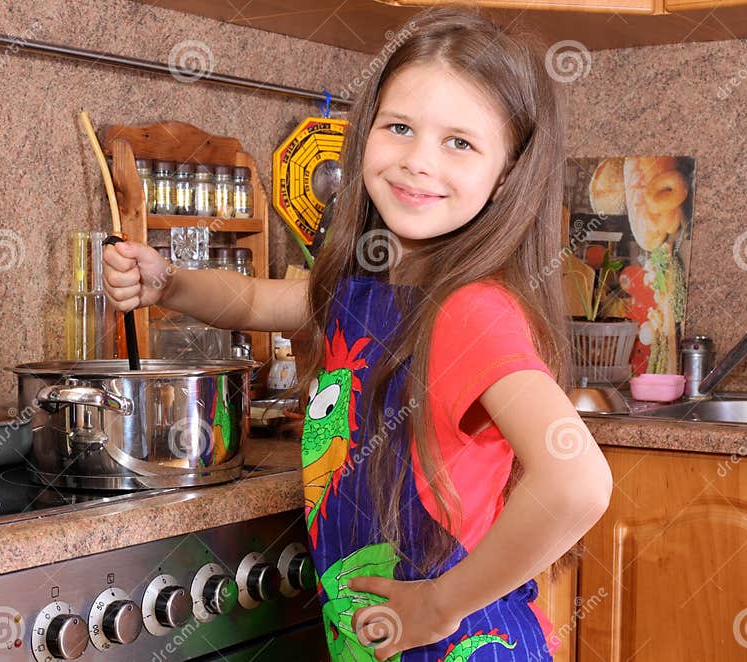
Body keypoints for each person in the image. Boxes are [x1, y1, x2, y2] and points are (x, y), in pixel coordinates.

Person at [103, 8, 612, 660]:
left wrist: (440, 603)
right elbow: (258, 299)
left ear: (507, 174)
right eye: (399, 127)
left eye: (460, 142)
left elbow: (578, 483)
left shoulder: (470, 311)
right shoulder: (364, 287)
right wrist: (168, 283)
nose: (417, 162)